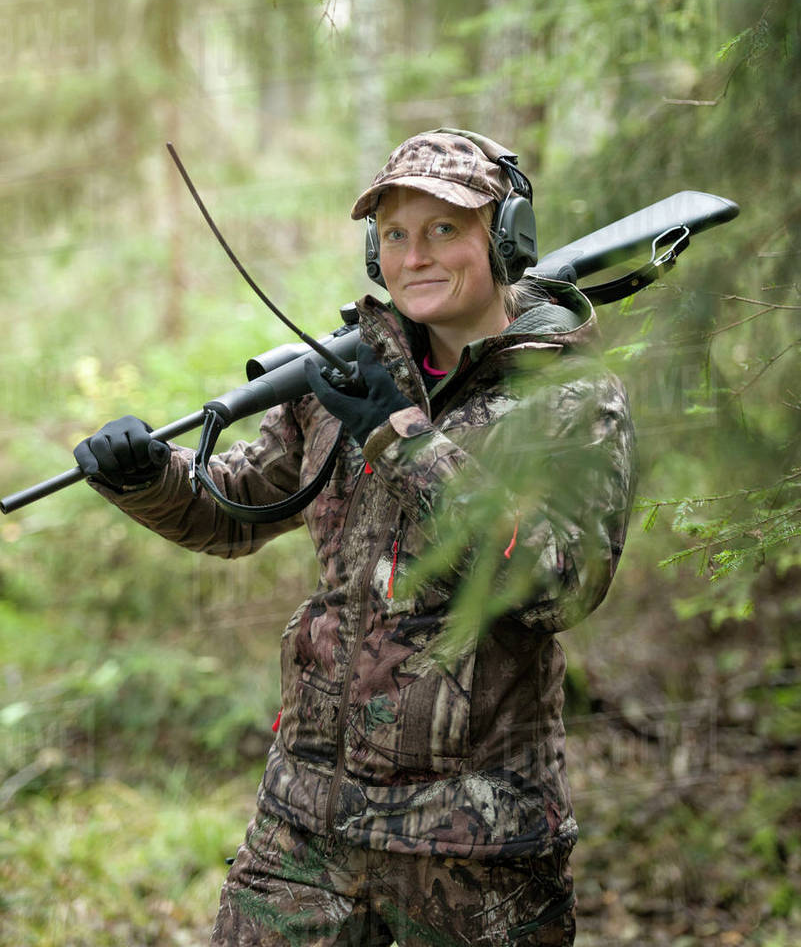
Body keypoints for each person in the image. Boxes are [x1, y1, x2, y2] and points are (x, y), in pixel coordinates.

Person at [74, 129, 636, 946]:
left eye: (446, 229)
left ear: (506, 236)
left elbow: (560, 584)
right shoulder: (341, 378)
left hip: (477, 849)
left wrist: (406, 441)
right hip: (304, 832)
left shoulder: (573, 398)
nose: (417, 256)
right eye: (396, 236)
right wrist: (145, 477)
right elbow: (240, 509)